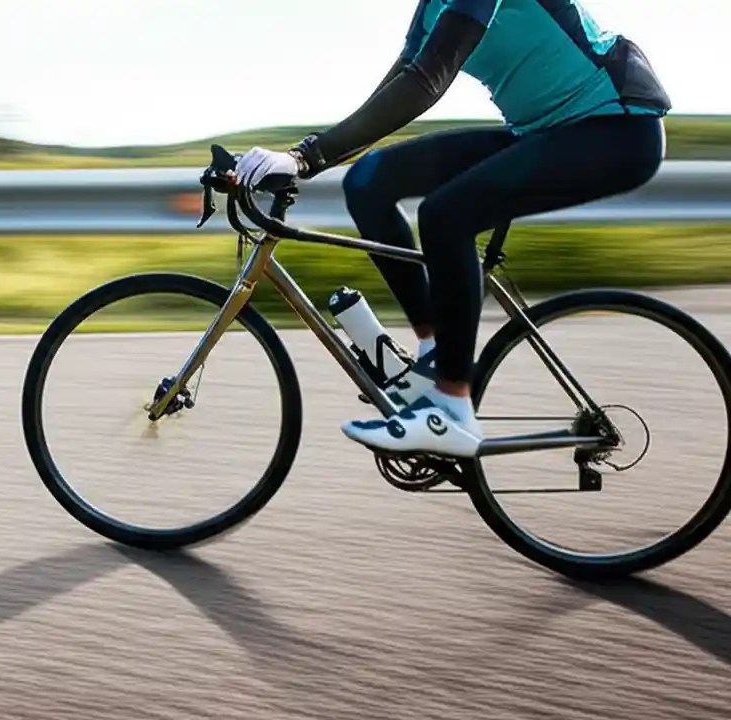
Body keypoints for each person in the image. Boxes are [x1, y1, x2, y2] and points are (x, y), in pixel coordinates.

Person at [233, 0, 669, 459]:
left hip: (616, 128)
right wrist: (300, 161)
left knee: (445, 216)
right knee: (367, 182)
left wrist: (306, 157)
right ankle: (433, 354)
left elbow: (429, 79)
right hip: (543, 133)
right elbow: (400, 84)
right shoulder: (431, 9)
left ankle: (451, 408)